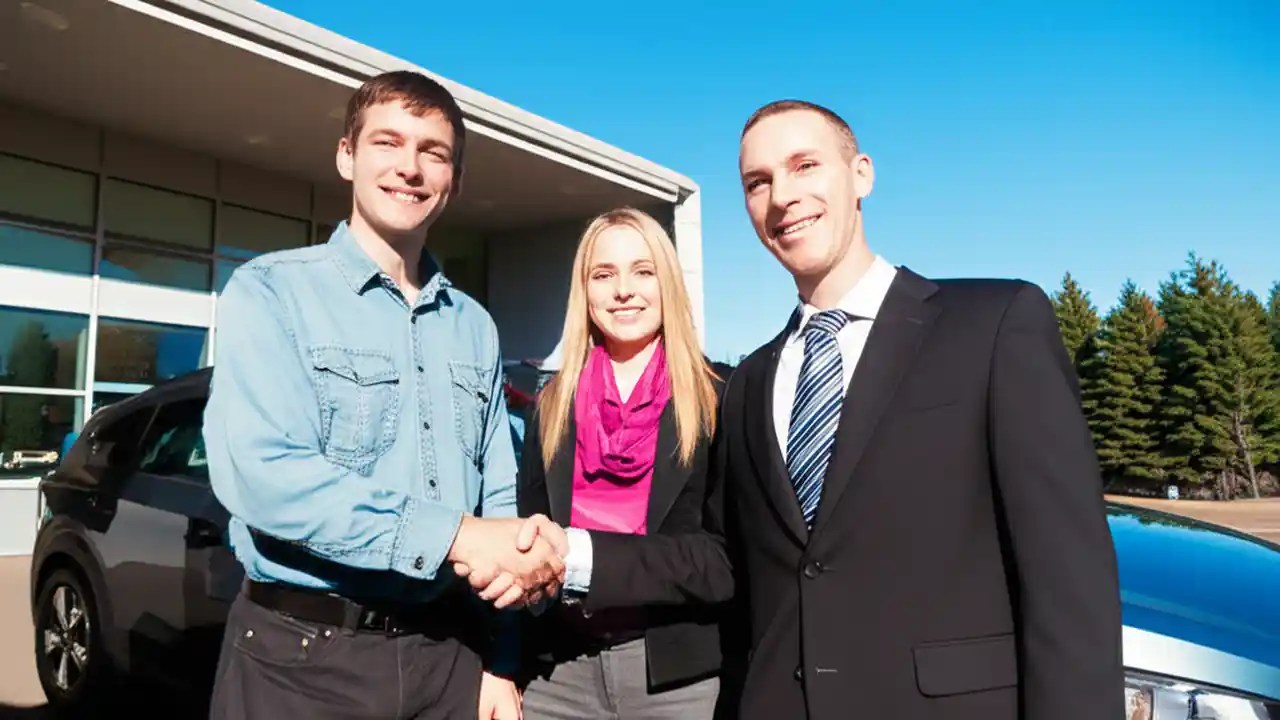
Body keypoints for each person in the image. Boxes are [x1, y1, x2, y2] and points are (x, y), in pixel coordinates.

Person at [718, 100, 1125, 719]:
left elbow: (1070, 585)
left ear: (861, 175)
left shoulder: (995, 325)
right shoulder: (748, 381)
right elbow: (730, 565)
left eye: (805, 165)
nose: (782, 197)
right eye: (758, 182)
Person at [203, 70, 564, 720]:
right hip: (302, 661)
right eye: (388, 142)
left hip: (450, 657)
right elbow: (265, 477)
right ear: (347, 155)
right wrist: (457, 536)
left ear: (453, 179)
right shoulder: (271, 292)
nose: (410, 168)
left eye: (434, 152)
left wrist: (500, 660)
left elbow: (498, 499)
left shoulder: (474, 326)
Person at [506, 208, 733, 718]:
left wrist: (584, 558)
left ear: (668, 283)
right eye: (603, 275)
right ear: (584, 292)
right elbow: (529, 533)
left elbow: (724, 562)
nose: (623, 290)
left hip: (678, 682)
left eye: (643, 271)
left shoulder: (721, 398)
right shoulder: (551, 405)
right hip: (558, 675)